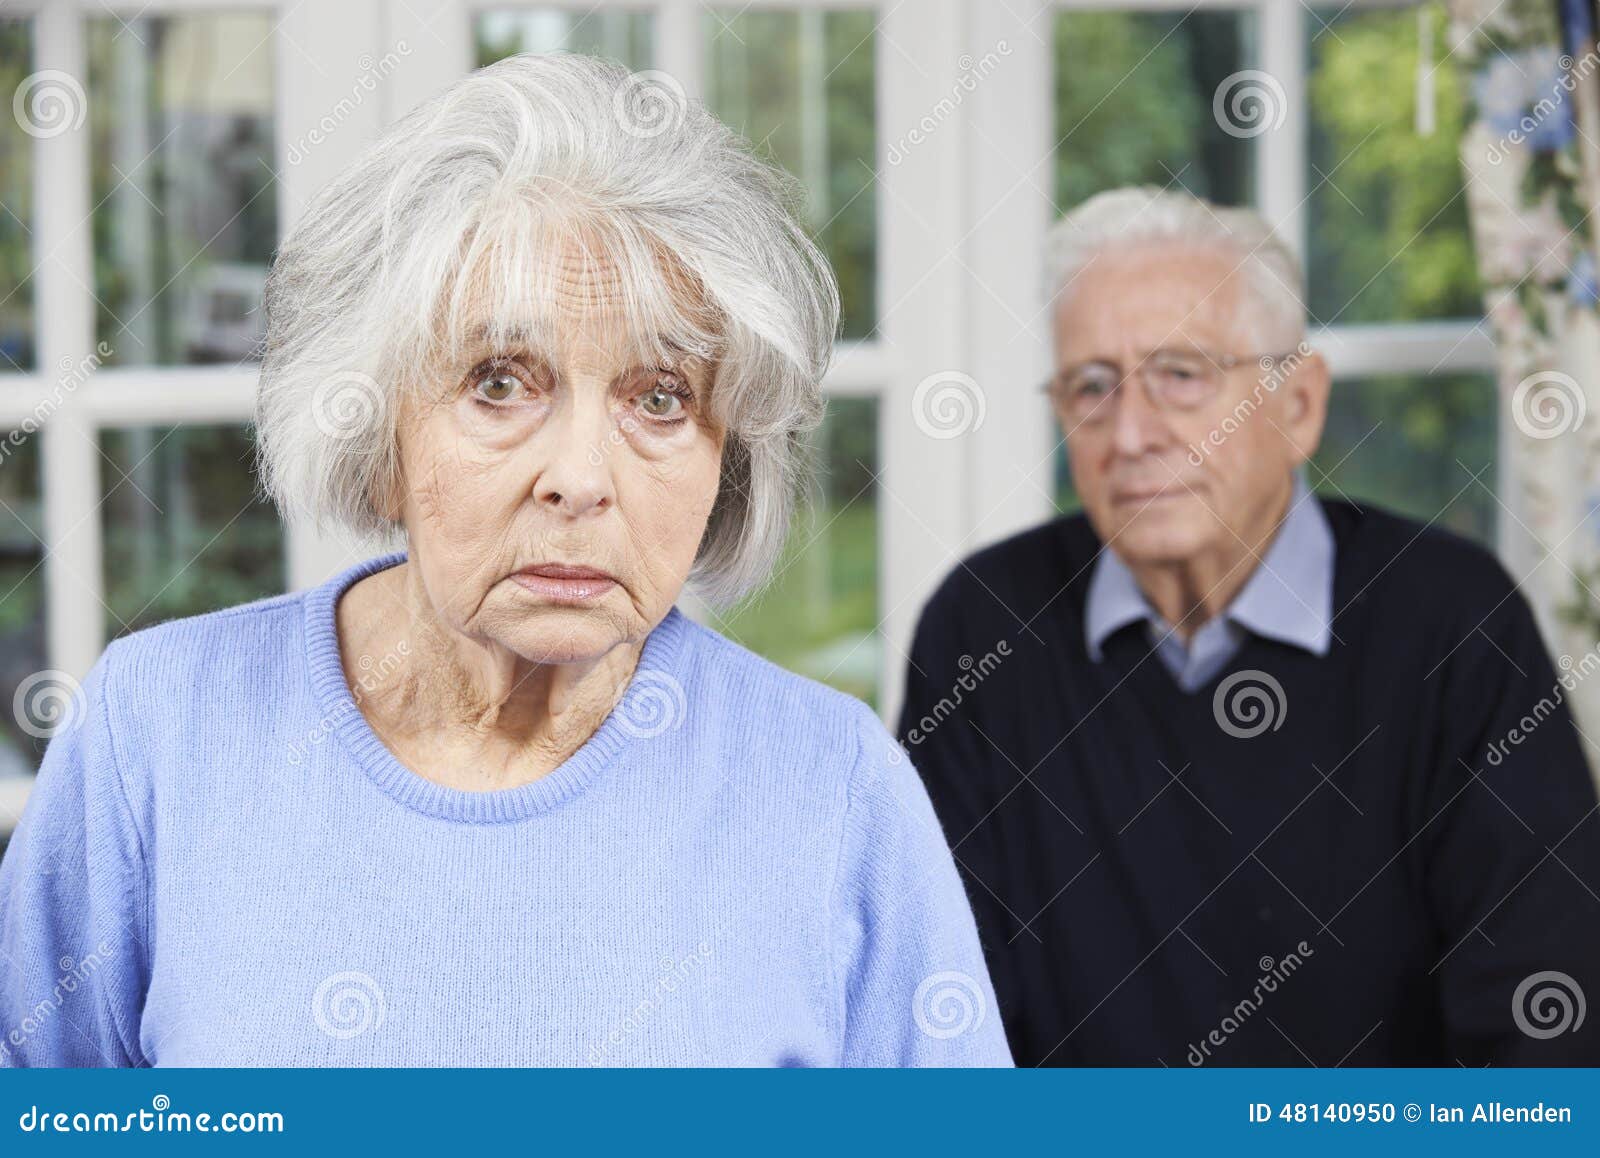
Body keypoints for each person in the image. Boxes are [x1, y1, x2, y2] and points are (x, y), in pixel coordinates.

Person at [0, 54, 1009, 1068]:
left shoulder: (831, 782)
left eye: (660, 397)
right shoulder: (156, 730)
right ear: (377, 437)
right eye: (497, 383)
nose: (579, 477)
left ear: (725, 460)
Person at [899, 186, 1600, 1066]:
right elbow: (933, 1017)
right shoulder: (983, 624)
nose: (1130, 434)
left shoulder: (1453, 623)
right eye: (1092, 386)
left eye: (1181, 375)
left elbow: (1545, 1034)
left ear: (1298, 404)